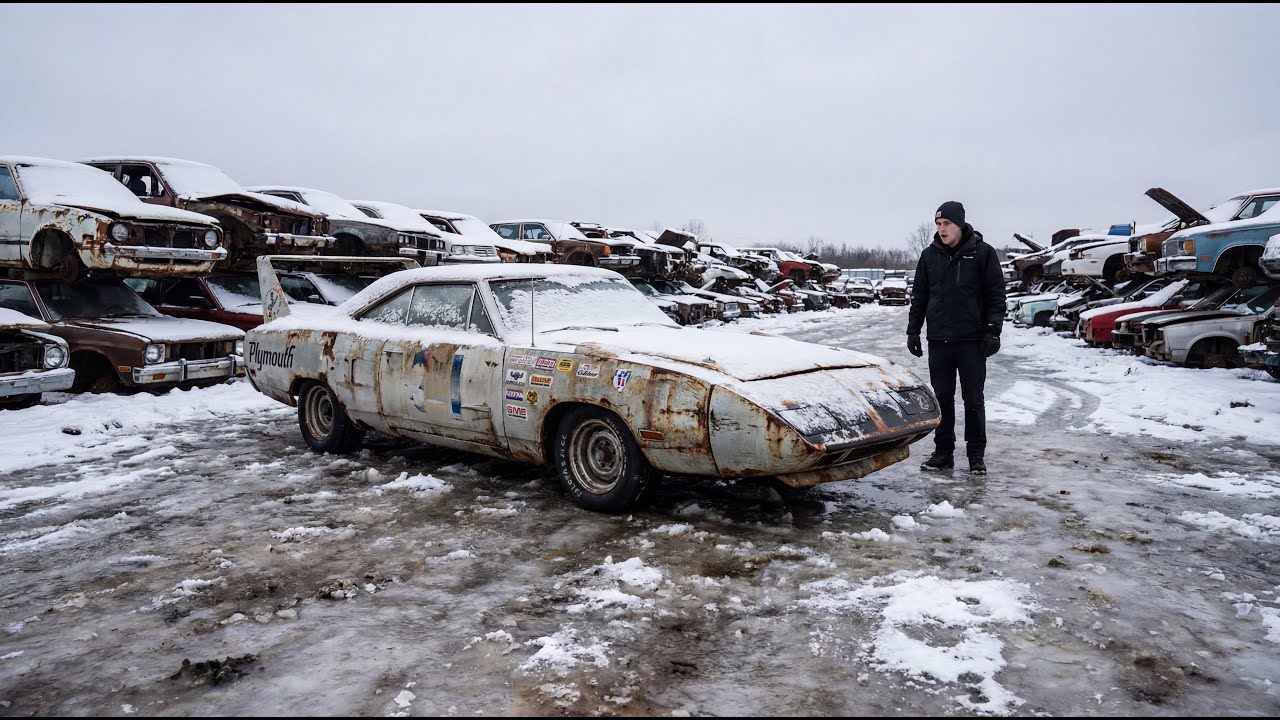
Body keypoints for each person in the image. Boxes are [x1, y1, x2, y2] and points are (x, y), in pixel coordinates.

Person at [906, 201, 1005, 475]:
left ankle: (976, 456)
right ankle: (943, 453)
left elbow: (995, 295)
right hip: (939, 340)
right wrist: (914, 330)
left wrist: (992, 329)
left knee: (973, 399)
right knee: (942, 399)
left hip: (971, 342)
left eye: (946, 224)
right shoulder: (929, 256)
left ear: (959, 224)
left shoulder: (983, 254)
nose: (941, 229)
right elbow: (920, 297)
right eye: (938, 224)